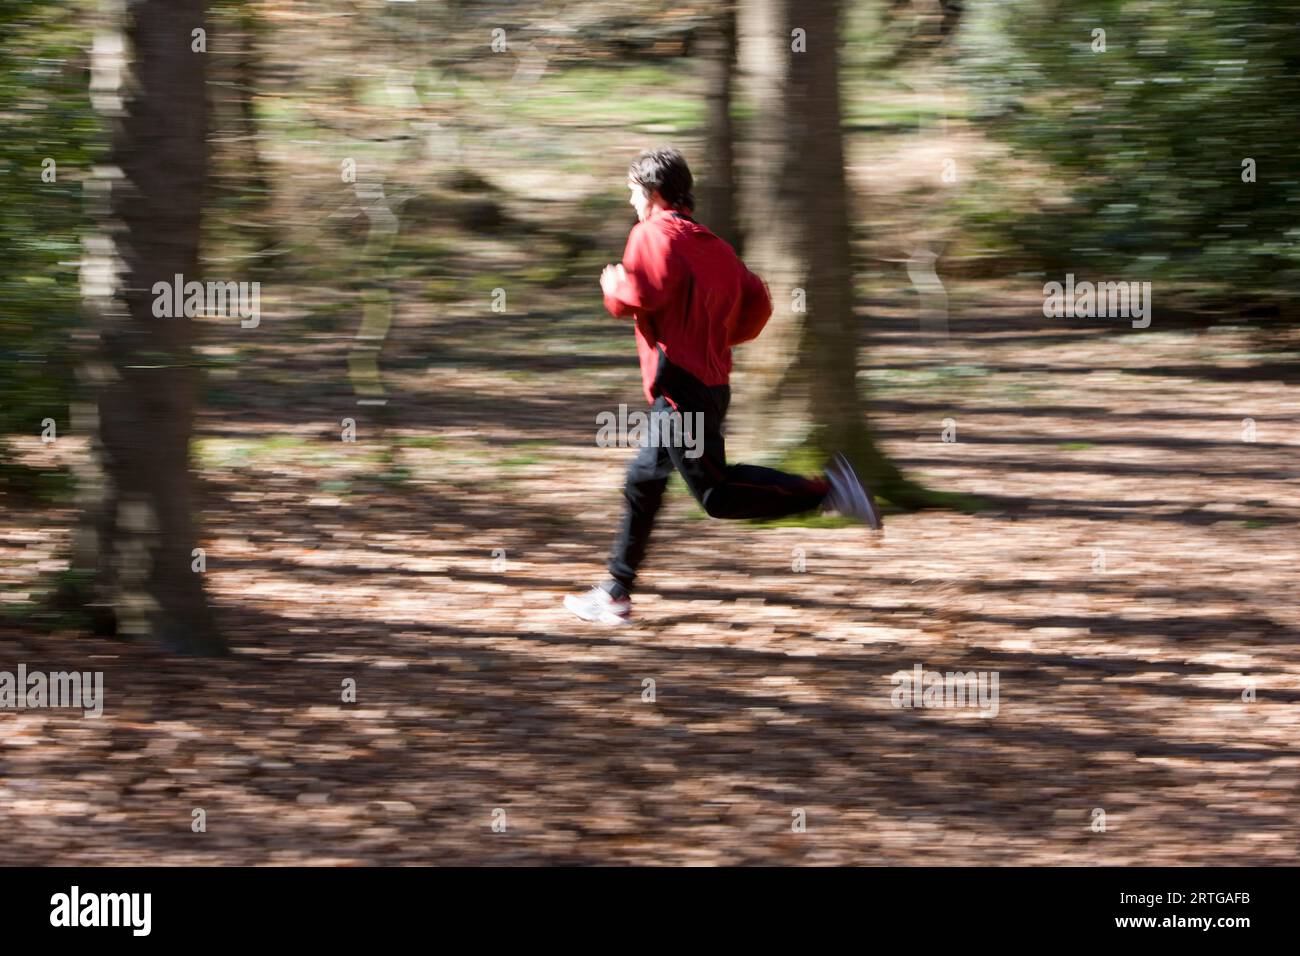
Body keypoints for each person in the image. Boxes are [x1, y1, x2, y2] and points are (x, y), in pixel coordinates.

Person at [564, 148, 881, 626]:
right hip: (708, 383)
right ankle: (615, 592)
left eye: (633, 191)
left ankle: (830, 490)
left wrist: (613, 287)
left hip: (680, 390)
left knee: (718, 495)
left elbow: (643, 294)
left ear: (652, 193)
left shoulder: (650, 233)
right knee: (642, 482)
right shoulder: (716, 245)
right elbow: (758, 303)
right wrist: (714, 336)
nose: (630, 201)